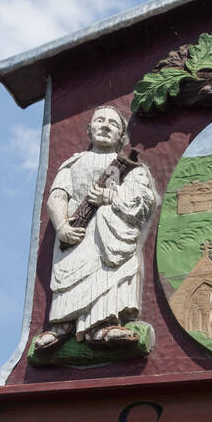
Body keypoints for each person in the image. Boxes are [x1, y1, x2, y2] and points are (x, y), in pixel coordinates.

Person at [34, 106, 159, 351]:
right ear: (89, 130)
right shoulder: (74, 163)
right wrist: (61, 226)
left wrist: (112, 197)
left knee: (107, 277)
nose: (104, 126)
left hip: (111, 238)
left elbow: (144, 199)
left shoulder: (129, 167)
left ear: (121, 135)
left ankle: (102, 326)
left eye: (112, 124)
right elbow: (57, 196)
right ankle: (62, 327)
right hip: (77, 235)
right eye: (99, 121)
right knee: (70, 279)